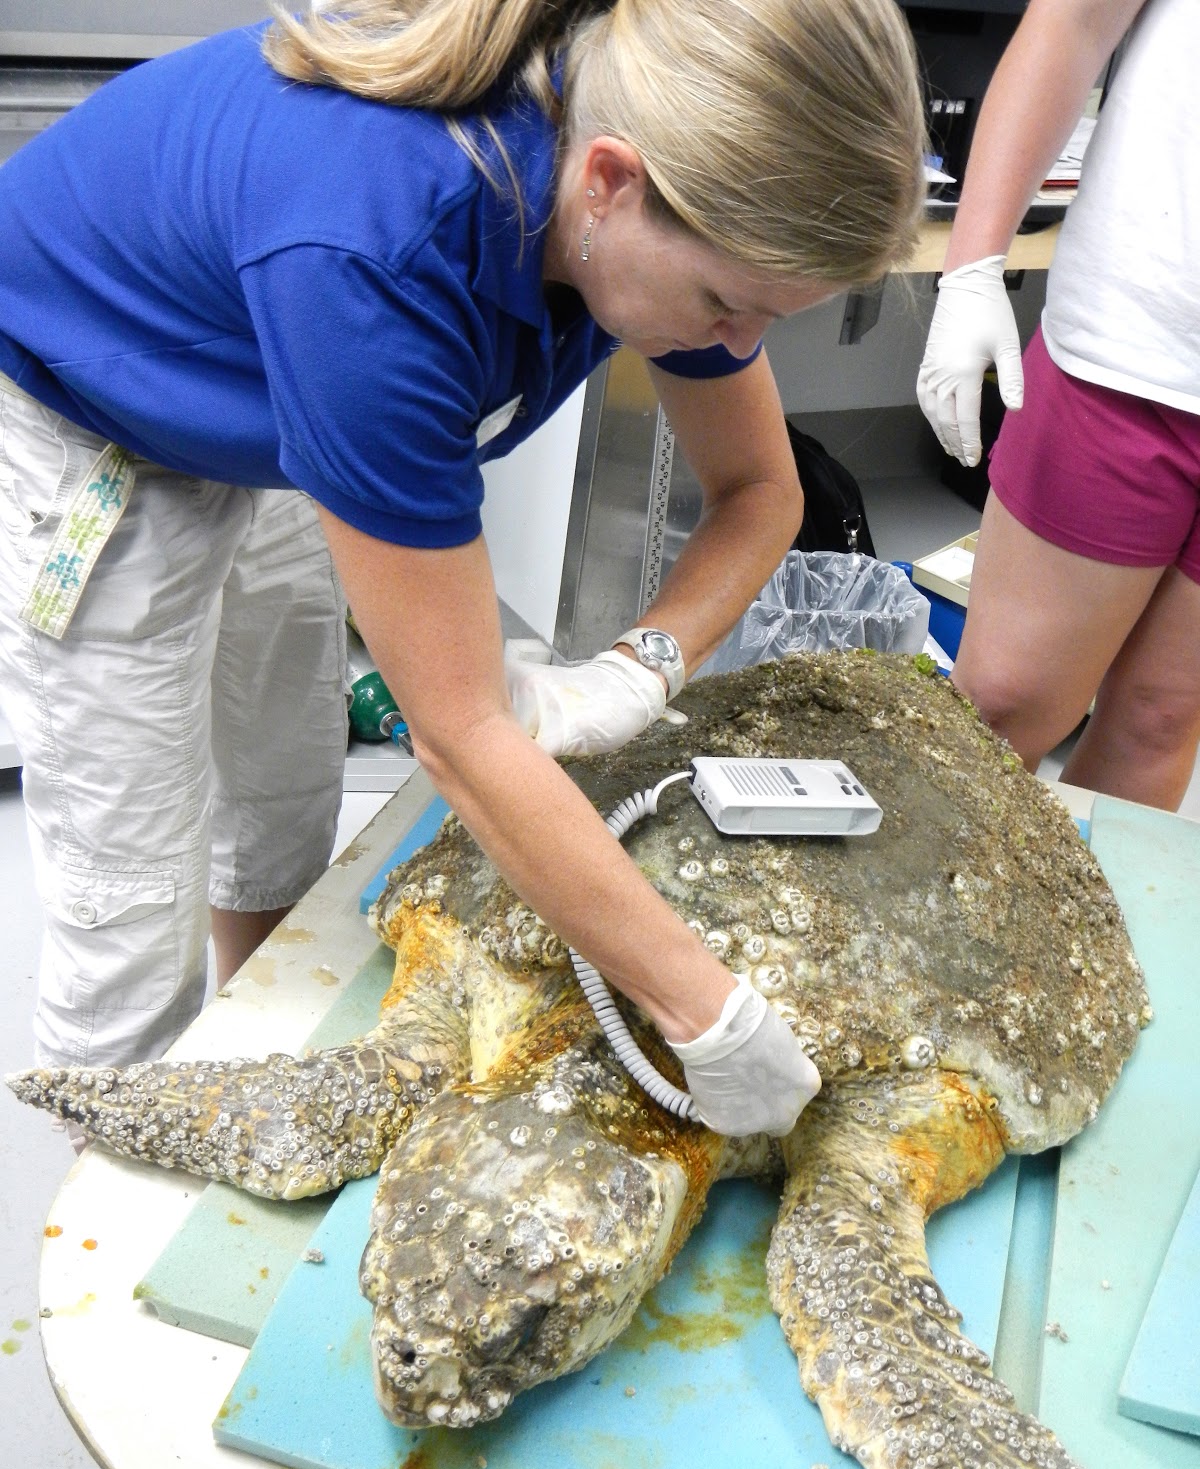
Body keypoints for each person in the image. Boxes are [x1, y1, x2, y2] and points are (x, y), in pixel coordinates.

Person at [0, 0, 925, 1137]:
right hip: (85, 400)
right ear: (609, 184)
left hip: (268, 370)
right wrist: (705, 1011)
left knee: (281, 797)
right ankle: (104, 1190)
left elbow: (762, 492)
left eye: (770, 316)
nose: (738, 344)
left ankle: (260, 1067)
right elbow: (459, 735)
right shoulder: (377, 255)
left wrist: (642, 666)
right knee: (133, 892)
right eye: (728, 305)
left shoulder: (638, 172)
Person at [917, 0, 1200, 812]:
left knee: (1160, 718)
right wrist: (971, 265)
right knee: (1001, 708)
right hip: (1132, 344)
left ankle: (1084, 903)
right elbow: (1072, 23)